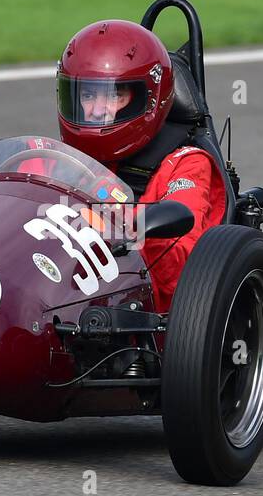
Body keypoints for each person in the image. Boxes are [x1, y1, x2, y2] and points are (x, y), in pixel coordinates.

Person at [55, 19, 227, 311]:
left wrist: (131, 225)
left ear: (147, 99)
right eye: (87, 95)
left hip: (139, 315)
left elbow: (178, 274)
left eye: (113, 95)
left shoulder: (186, 165)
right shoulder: (60, 160)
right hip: (57, 292)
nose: (96, 111)